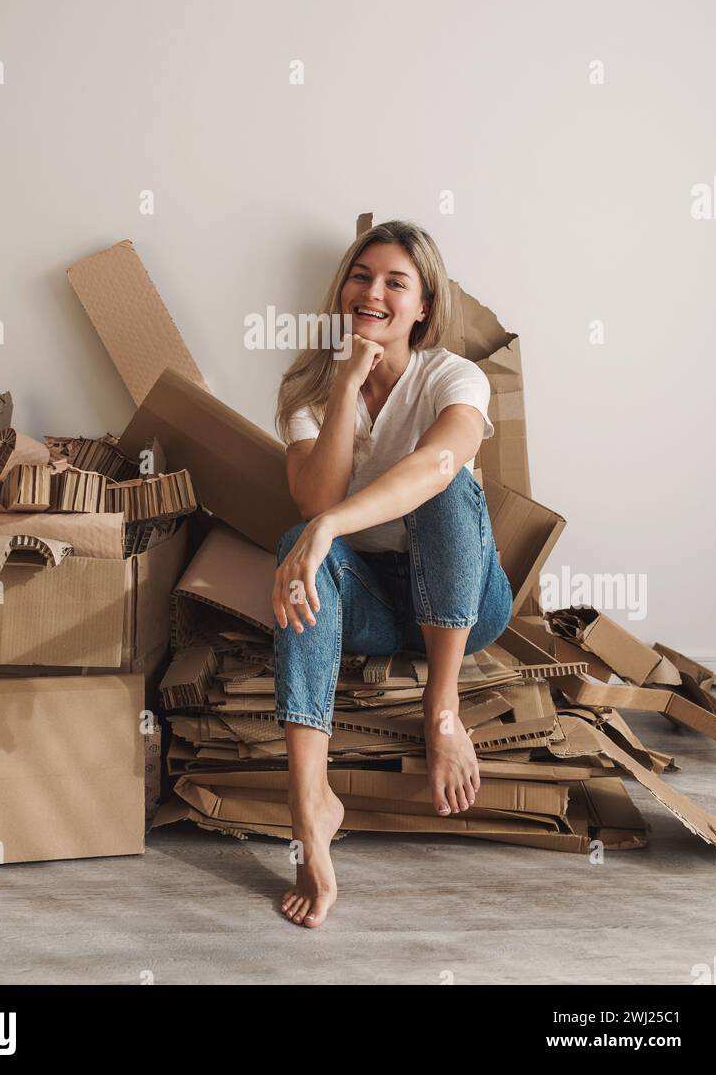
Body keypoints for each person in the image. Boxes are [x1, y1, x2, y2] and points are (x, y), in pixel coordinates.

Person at [271, 219, 514, 928]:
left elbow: (442, 463)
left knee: (443, 488)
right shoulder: (305, 390)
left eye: (394, 283)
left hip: (468, 604)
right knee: (297, 537)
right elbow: (317, 499)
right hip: (378, 607)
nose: (372, 292)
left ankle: (441, 711)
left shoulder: (452, 377)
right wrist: (347, 380)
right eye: (360, 276)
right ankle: (309, 802)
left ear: (423, 307)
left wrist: (328, 527)